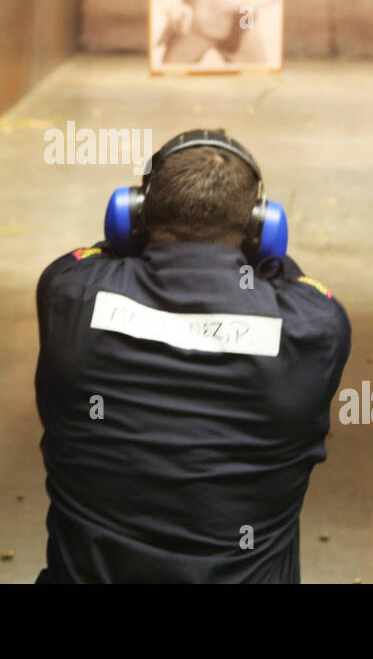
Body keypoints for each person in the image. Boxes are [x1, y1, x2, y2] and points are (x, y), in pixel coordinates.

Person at [34, 130, 352, 582]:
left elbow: (95, 259)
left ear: (133, 217)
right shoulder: (313, 326)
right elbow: (288, 281)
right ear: (262, 229)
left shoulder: (70, 293)